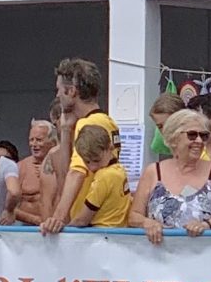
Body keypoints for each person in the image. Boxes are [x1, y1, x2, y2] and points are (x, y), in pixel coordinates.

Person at [42, 57, 119, 234]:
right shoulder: (107, 121)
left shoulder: (89, 125)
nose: (57, 95)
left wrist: (58, 217)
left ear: (71, 91)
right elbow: (65, 176)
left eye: (59, 90)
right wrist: (66, 129)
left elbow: (77, 173)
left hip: (95, 226)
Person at [131, 110, 211, 244]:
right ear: (174, 138)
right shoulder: (153, 171)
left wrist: (205, 225)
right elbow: (134, 216)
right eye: (192, 135)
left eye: (203, 136)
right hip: (158, 256)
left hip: (203, 254)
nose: (199, 141)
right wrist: (147, 223)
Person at [66, 123, 131, 228]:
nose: (92, 168)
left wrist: (65, 232)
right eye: (87, 162)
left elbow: (82, 220)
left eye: (96, 160)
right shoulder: (120, 170)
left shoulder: (104, 177)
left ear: (110, 148)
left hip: (100, 235)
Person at [15, 119, 55, 226]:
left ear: (52, 141)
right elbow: (9, 208)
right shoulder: (21, 167)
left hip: (55, 228)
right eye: (31, 140)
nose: (34, 144)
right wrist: (37, 220)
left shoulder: (61, 166)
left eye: (39, 140)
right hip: (27, 229)